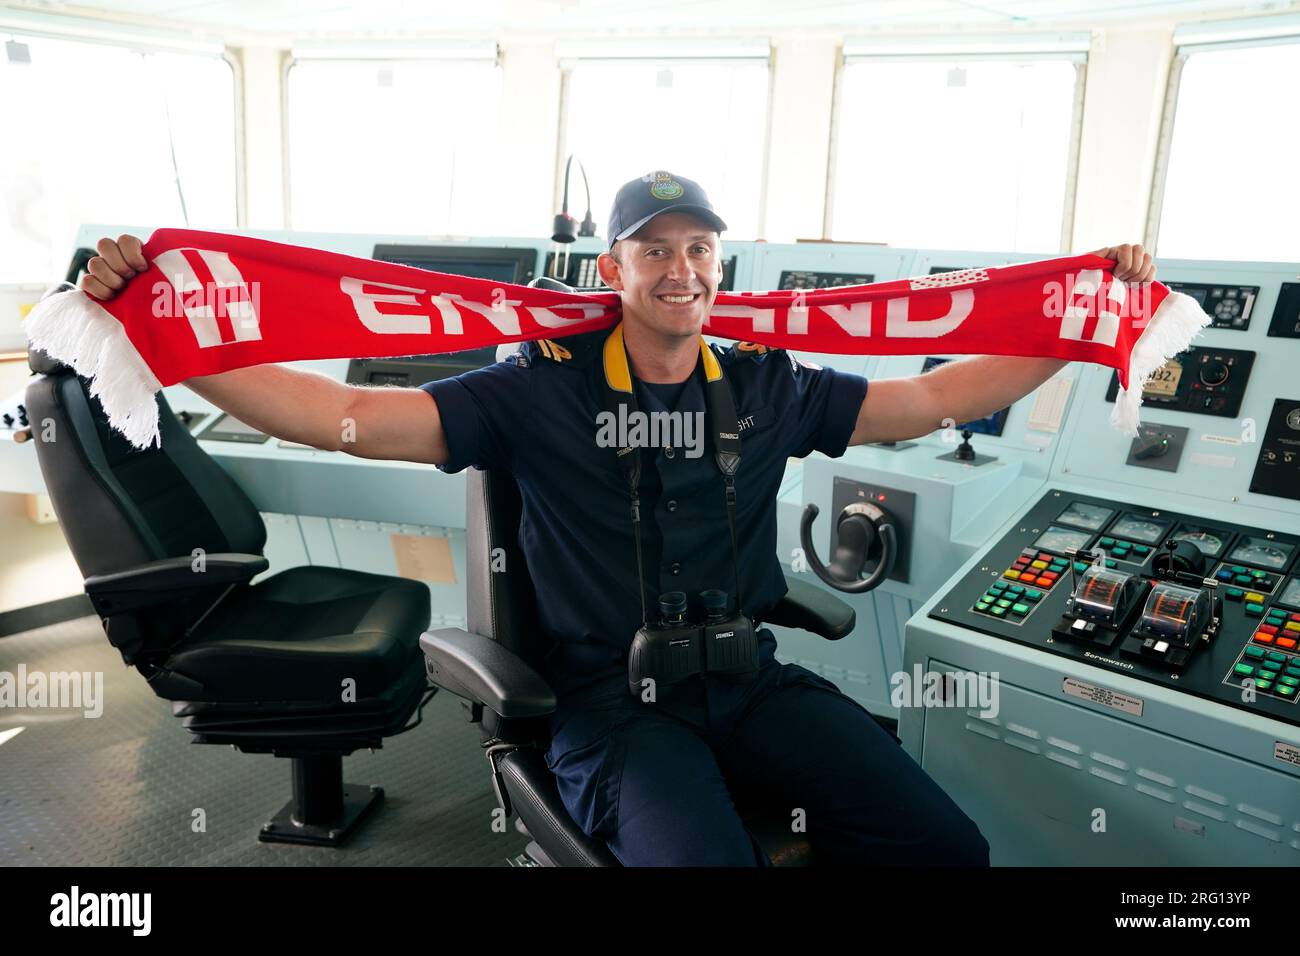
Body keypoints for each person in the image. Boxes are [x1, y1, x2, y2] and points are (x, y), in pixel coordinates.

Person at [81, 171, 1155, 866]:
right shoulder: (535, 389)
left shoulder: (767, 383)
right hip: (613, 702)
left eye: (697, 249)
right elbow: (350, 415)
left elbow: (929, 399)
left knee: (943, 848)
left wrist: (1085, 322)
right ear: (614, 271)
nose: (679, 268)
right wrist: (175, 344)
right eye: (654, 249)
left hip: (749, 682)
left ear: (717, 266)